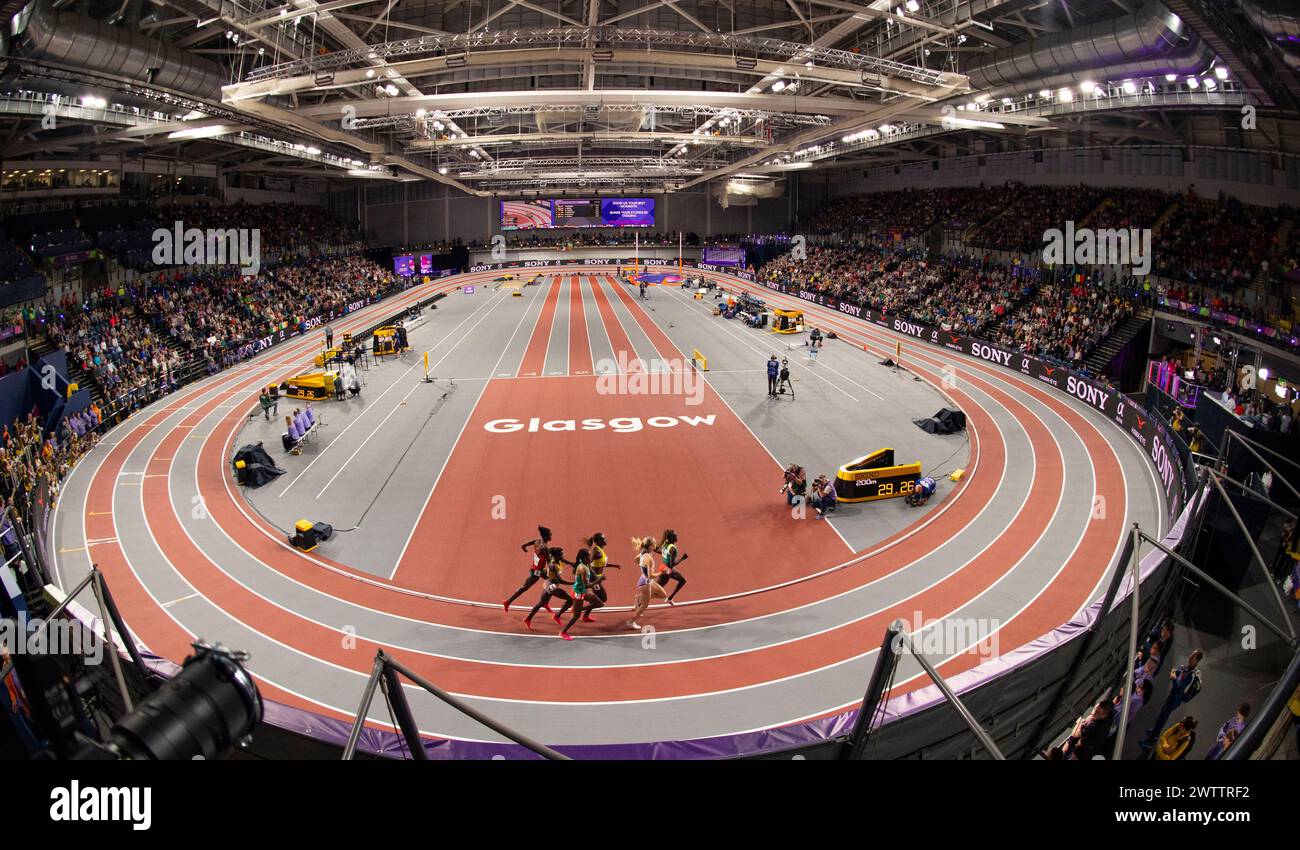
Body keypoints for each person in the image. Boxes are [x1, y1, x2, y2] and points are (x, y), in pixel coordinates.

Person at [1141, 649, 1204, 749]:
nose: (1190, 657)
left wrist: (1174, 677)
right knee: (1162, 714)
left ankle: (1152, 740)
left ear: (1197, 661)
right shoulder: (1189, 668)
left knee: (1163, 716)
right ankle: (1154, 732)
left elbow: (1179, 686)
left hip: (1176, 699)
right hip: (1173, 696)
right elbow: (1179, 672)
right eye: (1191, 654)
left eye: (1193, 657)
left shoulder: (1191, 675)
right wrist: (1175, 674)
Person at [504, 525, 553, 613]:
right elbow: (550, 563)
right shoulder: (545, 548)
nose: (551, 536)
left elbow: (525, 544)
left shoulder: (538, 541)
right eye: (550, 535)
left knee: (552, 581)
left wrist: (524, 547)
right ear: (545, 536)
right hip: (537, 571)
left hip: (537, 568)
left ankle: (545, 603)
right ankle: (507, 602)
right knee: (524, 587)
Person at [524, 547, 574, 630]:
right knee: (570, 600)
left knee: (541, 603)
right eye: (562, 554)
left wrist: (572, 563)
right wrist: (573, 583)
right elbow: (560, 581)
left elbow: (564, 561)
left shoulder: (558, 560)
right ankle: (557, 615)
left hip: (548, 584)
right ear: (557, 556)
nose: (563, 555)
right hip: (551, 586)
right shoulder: (553, 566)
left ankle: (528, 619)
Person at [560, 548, 602, 640]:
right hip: (578, 593)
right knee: (576, 616)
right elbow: (586, 585)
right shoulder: (582, 568)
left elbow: (596, 558)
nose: (591, 557)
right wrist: (599, 580)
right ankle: (563, 632)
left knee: (600, 603)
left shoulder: (586, 564)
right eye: (589, 556)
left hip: (582, 590)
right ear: (584, 558)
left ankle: (577, 609)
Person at [626, 535, 667, 630]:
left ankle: (639, 598)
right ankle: (631, 622)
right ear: (650, 546)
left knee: (663, 595)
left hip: (646, 580)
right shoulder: (648, 558)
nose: (656, 545)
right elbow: (650, 575)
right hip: (646, 583)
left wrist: (643, 569)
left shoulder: (643, 553)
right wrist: (661, 572)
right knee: (644, 605)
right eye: (654, 544)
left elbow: (636, 560)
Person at [656, 529, 688, 604]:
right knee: (656, 590)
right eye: (675, 536)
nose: (677, 537)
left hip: (664, 567)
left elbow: (660, 551)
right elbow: (671, 564)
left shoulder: (665, 545)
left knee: (683, 580)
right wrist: (682, 558)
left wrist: (654, 548)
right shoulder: (672, 549)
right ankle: (640, 600)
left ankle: (670, 598)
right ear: (670, 538)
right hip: (667, 570)